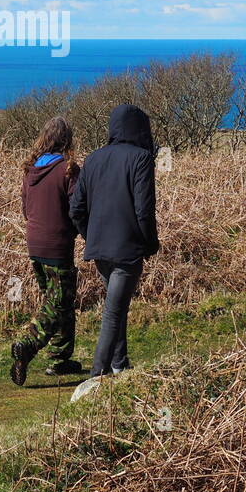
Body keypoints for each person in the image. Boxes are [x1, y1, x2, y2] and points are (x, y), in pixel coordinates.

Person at [69, 103, 159, 379]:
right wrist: (150, 243)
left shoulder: (93, 159)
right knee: (113, 313)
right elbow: (144, 210)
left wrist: (89, 233)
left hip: (99, 249)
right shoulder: (142, 158)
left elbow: (76, 209)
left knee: (116, 307)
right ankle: (97, 375)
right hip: (127, 249)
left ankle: (120, 364)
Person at [9, 116, 82, 386]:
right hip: (58, 245)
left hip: (35, 244)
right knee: (58, 303)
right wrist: (80, 231)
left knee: (60, 301)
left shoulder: (30, 170)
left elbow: (25, 209)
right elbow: (77, 209)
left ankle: (60, 359)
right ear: (67, 140)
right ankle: (27, 345)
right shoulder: (68, 169)